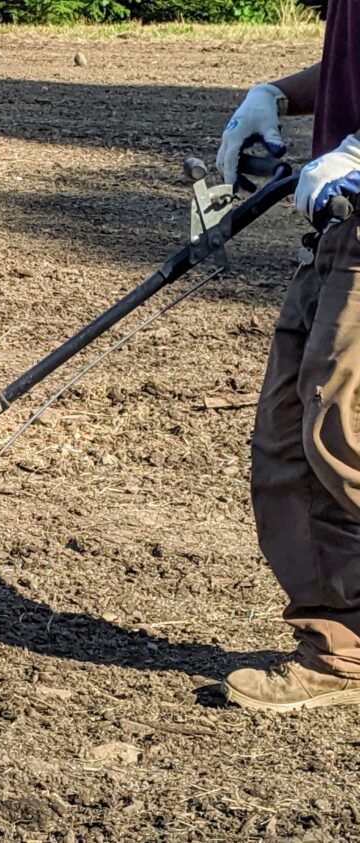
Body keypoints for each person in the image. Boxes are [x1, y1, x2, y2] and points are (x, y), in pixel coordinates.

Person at [214, 0, 360, 711]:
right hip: (339, 229)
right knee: (287, 446)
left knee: (345, 437)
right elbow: (349, 71)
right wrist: (276, 94)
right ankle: (341, 651)